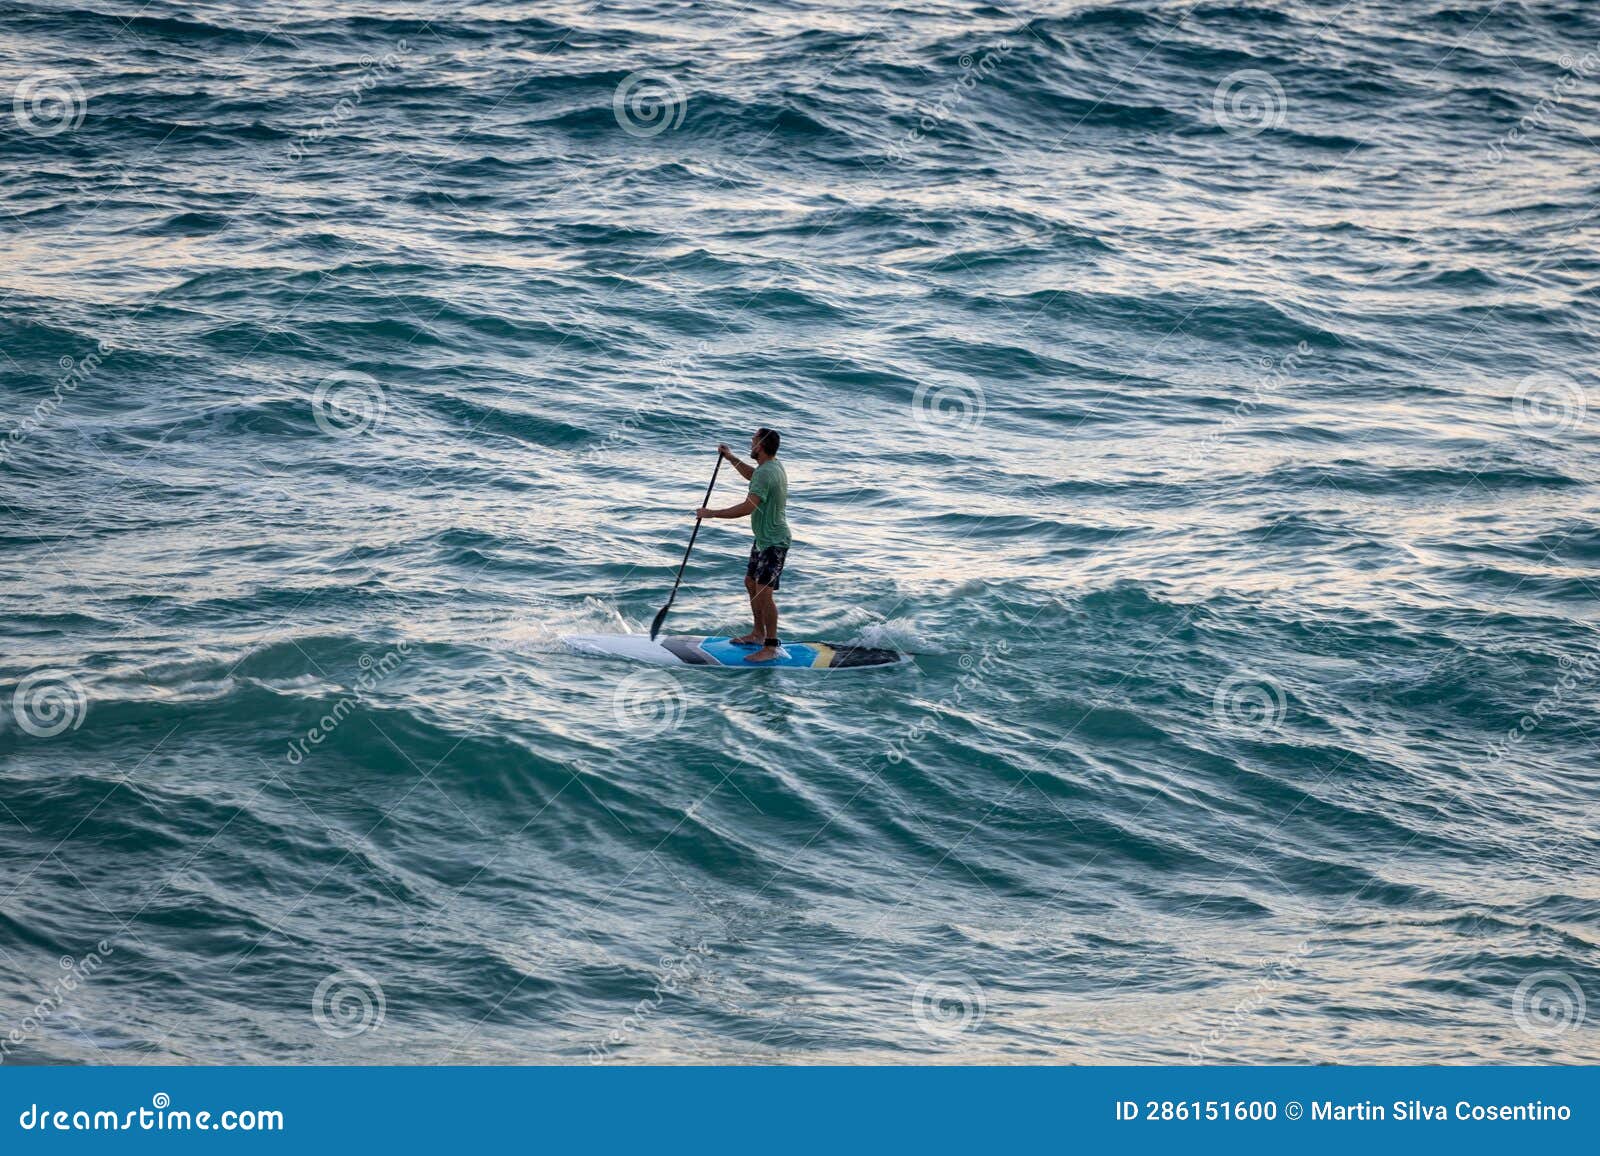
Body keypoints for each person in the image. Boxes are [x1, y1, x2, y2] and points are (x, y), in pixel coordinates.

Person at [695, 427, 791, 664]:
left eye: (753, 442)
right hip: (763, 539)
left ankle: (770, 646)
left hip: (775, 542)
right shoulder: (770, 467)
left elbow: (748, 507)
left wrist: (712, 514)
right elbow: (753, 476)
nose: (750, 445)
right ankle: (758, 634)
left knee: (764, 593)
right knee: (750, 583)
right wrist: (731, 458)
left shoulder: (767, 473)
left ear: (760, 447)